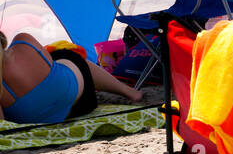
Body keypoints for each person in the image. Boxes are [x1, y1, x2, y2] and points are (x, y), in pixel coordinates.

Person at [0, 32, 141, 125]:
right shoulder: (23, 39)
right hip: (71, 94)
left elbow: (2, 123)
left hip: (36, 118)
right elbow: (48, 63)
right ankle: (130, 92)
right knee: (65, 54)